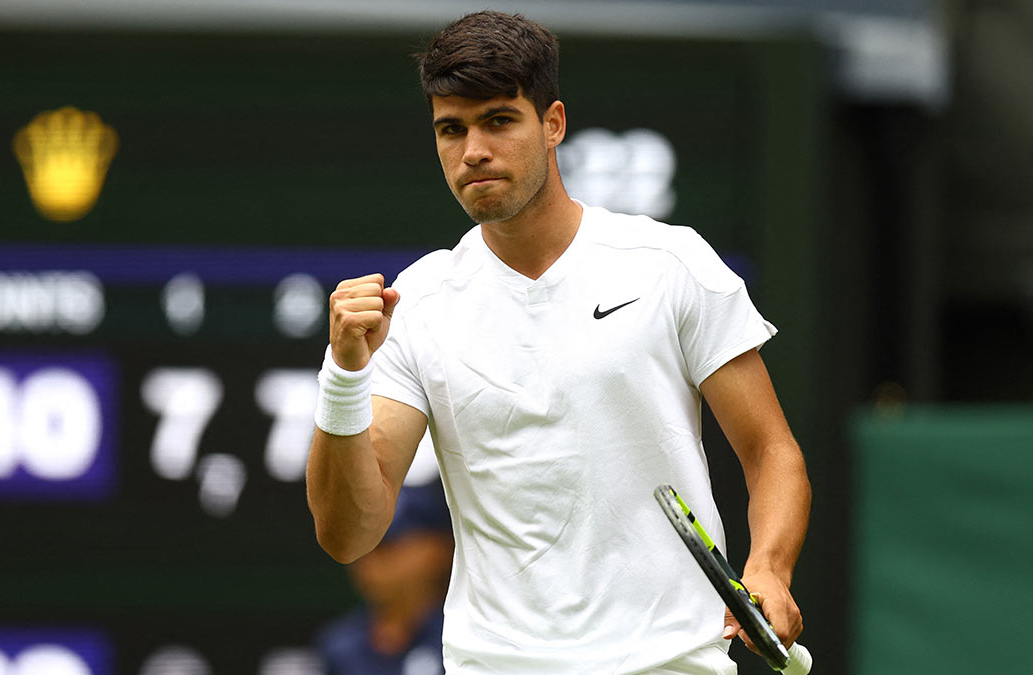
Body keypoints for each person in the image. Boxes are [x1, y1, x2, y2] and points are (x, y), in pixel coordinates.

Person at [306, 10, 810, 674]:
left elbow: (771, 451)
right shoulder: (418, 303)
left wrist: (769, 565)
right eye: (451, 129)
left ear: (553, 124)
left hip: (669, 662)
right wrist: (344, 377)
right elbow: (348, 535)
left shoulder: (670, 264)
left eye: (498, 121)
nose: (473, 150)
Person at [315, 480, 453, 675]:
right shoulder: (338, 646)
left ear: (437, 549)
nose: (367, 560)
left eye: (385, 546)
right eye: (362, 545)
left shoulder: (465, 635)